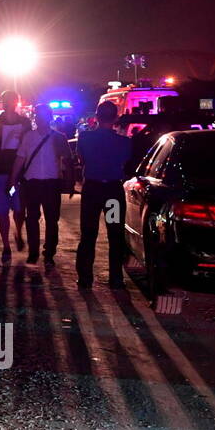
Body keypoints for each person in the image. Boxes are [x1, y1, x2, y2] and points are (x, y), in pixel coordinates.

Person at [75, 100, 132, 290]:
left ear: (96, 117)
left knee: (88, 234)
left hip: (92, 190)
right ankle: (116, 279)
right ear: (116, 118)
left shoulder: (84, 138)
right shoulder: (124, 142)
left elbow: (82, 159)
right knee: (115, 234)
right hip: (112, 192)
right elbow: (125, 162)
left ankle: (85, 278)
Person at [10, 105, 72, 269]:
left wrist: (70, 182)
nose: (40, 118)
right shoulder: (28, 137)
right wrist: (12, 179)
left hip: (52, 183)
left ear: (49, 117)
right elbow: (20, 159)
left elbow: (67, 160)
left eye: (43, 115)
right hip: (32, 183)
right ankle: (33, 252)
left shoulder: (59, 137)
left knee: (52, 220)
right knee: (32, 218)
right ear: (35, 118)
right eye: (38, 115)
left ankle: (49, 253)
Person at [0, 91, 29, 261]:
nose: (8, 103)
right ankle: (6, 246)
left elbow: (29, 144)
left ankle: (18, 231)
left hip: (18, 175)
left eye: (11, 100)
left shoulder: (24, 122)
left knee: (18, 209)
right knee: (2, 211)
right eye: (6, 101)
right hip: (0, 174)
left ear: (16, 102)